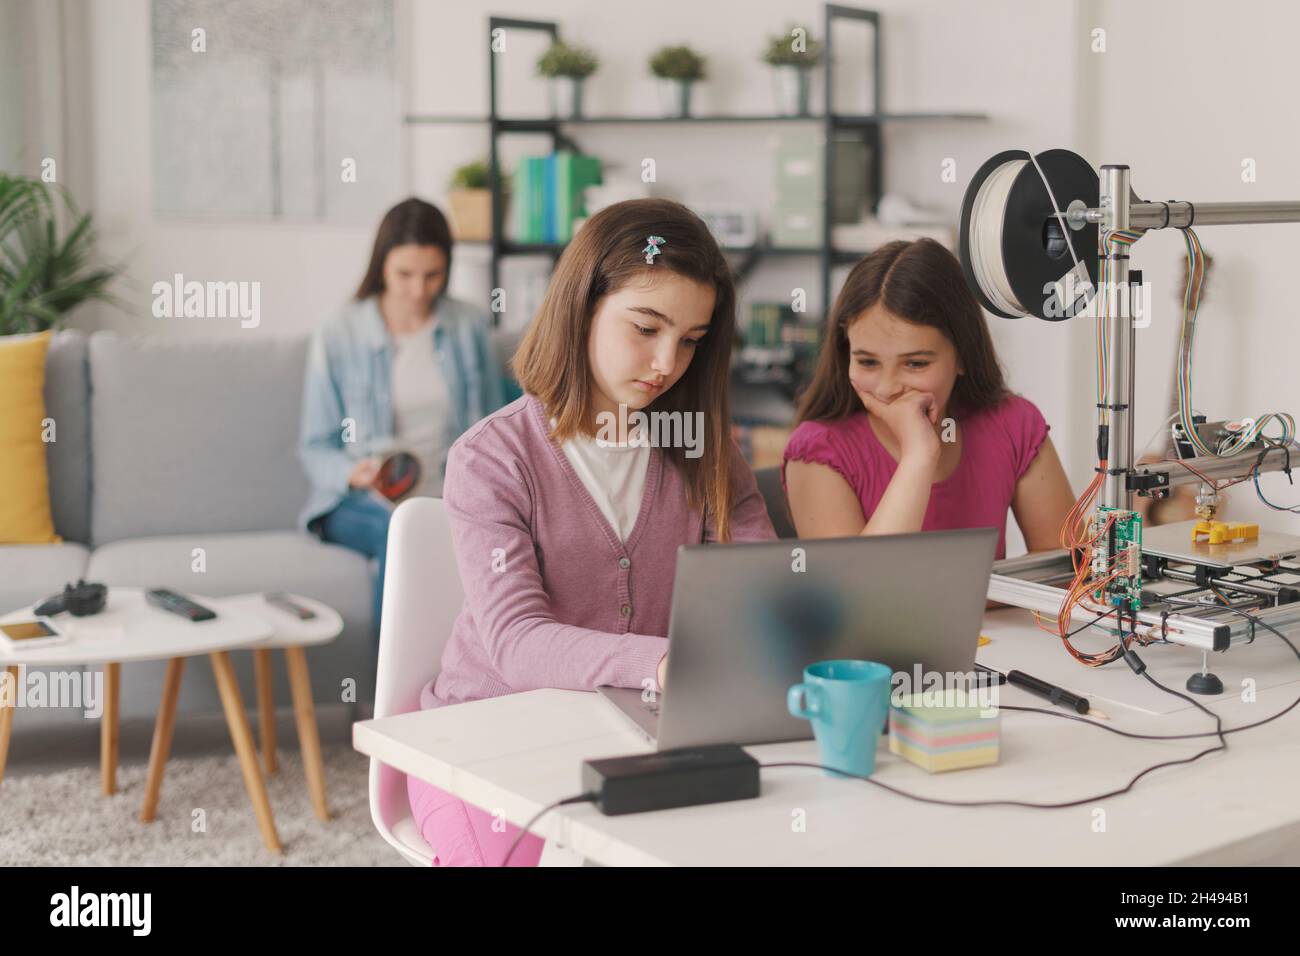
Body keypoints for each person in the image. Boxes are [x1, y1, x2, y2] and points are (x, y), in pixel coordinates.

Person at [407, 198, 776, 866]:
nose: (667, 361)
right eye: (646, 327)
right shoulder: (492, 458)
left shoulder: (705, 448)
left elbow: (756, 589)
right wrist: (664, 662)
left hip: (635, 736)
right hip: (479, 738)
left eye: (691, 340)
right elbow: (517, 643)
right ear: (582, 307)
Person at [783, 238, 1075, 558]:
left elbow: (1066, 568)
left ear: (963, 356)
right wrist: (919, 455)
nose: (887, 388)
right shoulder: (816, 451)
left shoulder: (1014, 424)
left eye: (916, 363)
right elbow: (859, 592)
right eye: (867, 361)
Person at [298, 198, 506, 635]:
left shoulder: (467, 325)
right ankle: (387, 698)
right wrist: (353, 472)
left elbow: (493, 424)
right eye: (405, 275)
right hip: (359, 501)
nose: (419, 290)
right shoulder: (339, 332)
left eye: (433, 275)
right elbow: (314, 446)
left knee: (465, 534)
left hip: (446, 489)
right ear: (381, 266)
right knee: (401, 532)